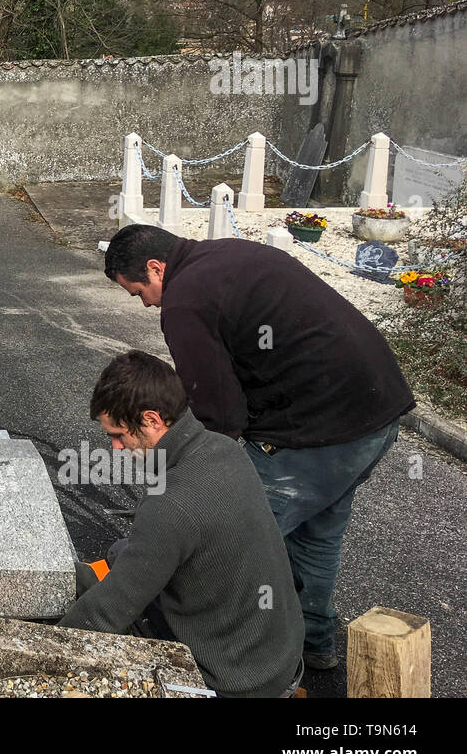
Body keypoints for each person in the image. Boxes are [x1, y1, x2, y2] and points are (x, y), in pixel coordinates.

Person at [103, 223, 413, 669]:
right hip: (376, 412)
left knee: (226, 537)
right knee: (317, 535)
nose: (149, 303)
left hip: (317, 428)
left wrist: (186, 486)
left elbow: (221, 415)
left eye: (139, 292)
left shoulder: (184, 300)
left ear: (156, 267)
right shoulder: (231, 254)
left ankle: (234, 661)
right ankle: (313, 644)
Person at [60, 351, 304, 698]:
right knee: (121, 550)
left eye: (118, 434)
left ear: (151, 420)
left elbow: (107, 613)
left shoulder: (170, 504)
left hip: (234, 681)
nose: (115, 448)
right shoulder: (224, 449)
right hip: (278, 655)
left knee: (103, 649)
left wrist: (44, 650)